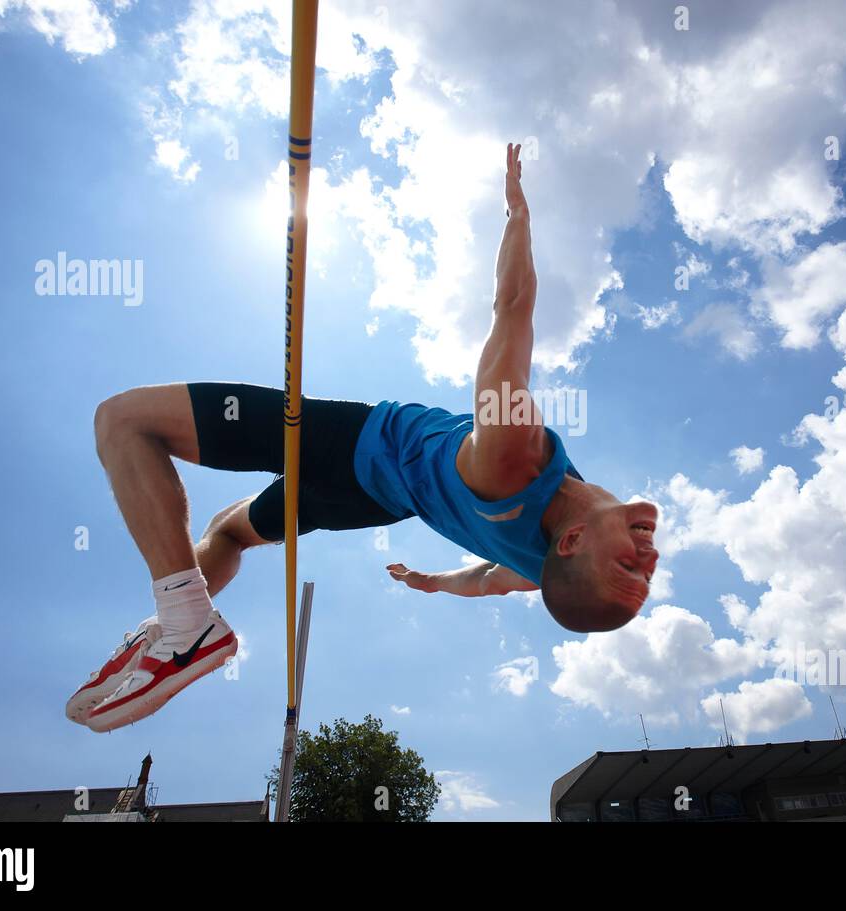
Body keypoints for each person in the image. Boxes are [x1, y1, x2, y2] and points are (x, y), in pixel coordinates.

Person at [69, 144, 660, 732]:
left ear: (573, 538)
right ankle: (169, 628)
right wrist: (433, 583)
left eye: (628, 567)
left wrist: (518, 217)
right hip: (372, 501)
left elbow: (512, 308)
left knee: (124, 421)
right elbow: (485, 583)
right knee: (230, 532)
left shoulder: (512, 455)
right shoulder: (539, 569)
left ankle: (185, 622)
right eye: (645, 575)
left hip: (351, 442)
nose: (649, 558)